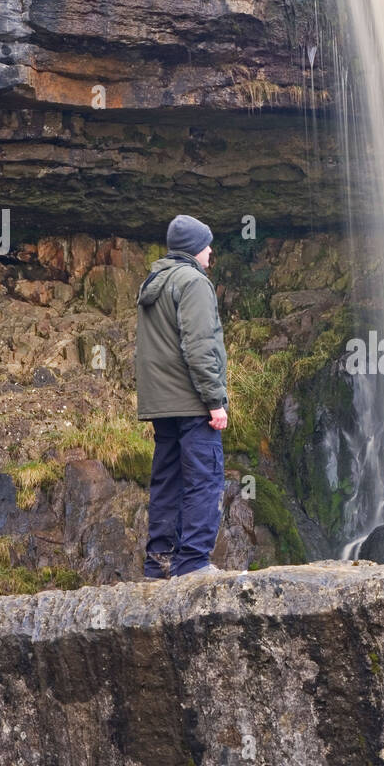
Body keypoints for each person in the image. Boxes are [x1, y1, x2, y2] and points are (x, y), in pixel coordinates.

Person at [136, 214, 228, 578]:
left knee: (167, 480)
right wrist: (214, 401)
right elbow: (199, 346)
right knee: (204, 478)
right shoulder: (194, 282)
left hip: (163, 405)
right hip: (193, 402)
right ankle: (193, 564)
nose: (210, 251)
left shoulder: (153, 282)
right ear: (194, 249)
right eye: (206, 245)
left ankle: (159, 563)